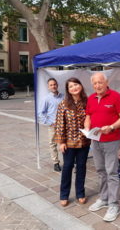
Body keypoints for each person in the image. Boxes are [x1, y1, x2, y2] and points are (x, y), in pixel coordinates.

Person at [85, 72, 120, 222]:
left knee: (111, 172)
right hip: (95, 140)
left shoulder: (115, 96)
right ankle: (103, 198)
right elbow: (88, 116)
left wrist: (111, 126)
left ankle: (114, 204)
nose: (97, 85)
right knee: (100, 170)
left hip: (111, 140)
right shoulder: (91, 98)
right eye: (95, 83)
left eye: (100, 82)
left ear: (106, 82)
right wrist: (87, 129)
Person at [54, 77, 91, 207]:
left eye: (76, 84)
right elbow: (59, 124)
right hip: (69, 143)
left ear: (80, 86)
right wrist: (61, 142)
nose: (74, 87)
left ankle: (80, 193)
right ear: (68, 90)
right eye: (71, 86)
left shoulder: (88, 102)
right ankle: (64, 195)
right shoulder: (63, 104)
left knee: (81, 167)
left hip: (84, 141)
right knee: (67, 167)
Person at [38, 78, 64, 172]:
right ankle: (56, 163)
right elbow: (41, 113)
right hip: (53, 125)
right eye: (51, 85)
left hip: (64, 125)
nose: (53, 86)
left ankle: (68, 160)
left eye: (54, 84)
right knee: (53, 144)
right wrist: (49, 122)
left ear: (57, 85)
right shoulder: (46, 99)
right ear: (48, 87)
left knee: (65, 142)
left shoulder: (63, 97)